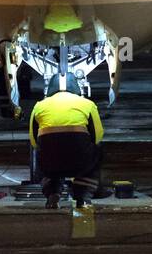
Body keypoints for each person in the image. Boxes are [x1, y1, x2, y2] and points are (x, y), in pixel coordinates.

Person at [28, 73, 104, 208]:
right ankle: (83, 197)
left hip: (50, 162)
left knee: (44, 160)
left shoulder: (38, 106)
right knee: (96, 154)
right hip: (80, 161)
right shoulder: (87, 104)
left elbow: (33, 141)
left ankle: (52, 194)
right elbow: (98, 136)